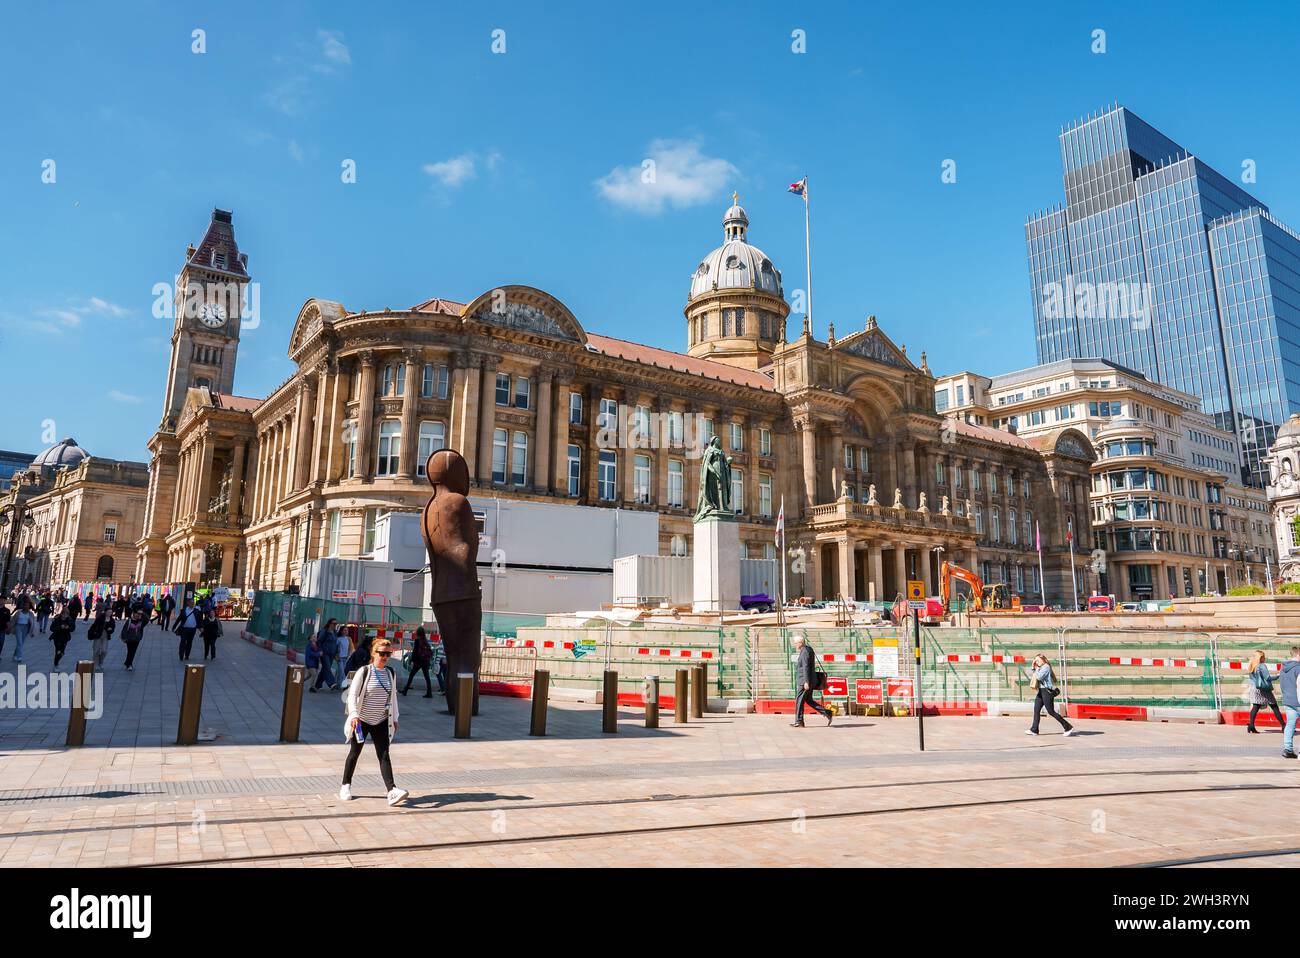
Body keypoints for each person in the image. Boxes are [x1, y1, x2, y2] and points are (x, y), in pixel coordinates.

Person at [340, 638, 409, 806]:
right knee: (354, 753)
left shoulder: (390, 673)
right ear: (373, 653)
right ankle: (345, 785)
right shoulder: (364, 672)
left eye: (388, 654)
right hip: (362, 721)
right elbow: (352, 696)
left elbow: (393, 698)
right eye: (382, 653)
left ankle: (392, 790)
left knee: (384, 755)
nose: (385, 657)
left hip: (381, 720)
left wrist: (395, 718)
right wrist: (354, 715)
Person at [790, 632, 832, 727]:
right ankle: (827, 712)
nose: (795, 645)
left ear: (800, 643)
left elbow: (806, 667)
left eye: (796, 643)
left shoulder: (805, 651)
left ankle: (799, 721)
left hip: (805, 681)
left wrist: (806, 682)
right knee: (809, 700)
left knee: (799, 700)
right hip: (810, 679)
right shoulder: (808, 649)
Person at [1027, 653, 1075, 736]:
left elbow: (1039, 677)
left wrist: (1034, 668)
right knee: (1036, 709)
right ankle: (1034, 730)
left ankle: (1068, 727)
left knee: (1051, 711)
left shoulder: (1046, 667)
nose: (1036, 662)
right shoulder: (1040, 668)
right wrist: (1035, 668)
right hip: (1041, 691)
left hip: (1046, 692)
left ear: (1043, 660)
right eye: (1035, 661)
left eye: (1037, 660)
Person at [1245, 650, 1285, 733]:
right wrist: (1278, 676)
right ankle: (1283, 726)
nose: (1265, 658)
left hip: (1254, 688)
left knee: (1255, 706)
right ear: (1260, 658)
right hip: (1264, 689)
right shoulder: (1262, 665)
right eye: (1264, 657)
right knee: (1274, 706)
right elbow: (1268, 678)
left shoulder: (1251, 665)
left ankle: (1251, 725)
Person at [401, 626, 435, 698]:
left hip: (419, 661)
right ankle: (429, 693)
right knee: (427, 677)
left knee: (411, 675)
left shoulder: (417, 640)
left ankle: (405, 690)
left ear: (418, 633)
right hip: (426, 661)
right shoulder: (425, 640)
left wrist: (412, 660)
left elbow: (415, 652)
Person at [1279, 647, 1299, 760]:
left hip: (1288, 700)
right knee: (1291, 725)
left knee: (1290, 725)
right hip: (1298, 700)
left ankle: (1288, 749)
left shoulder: (1283, 668)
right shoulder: (1298, 668)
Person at [311, 619, 340, 692]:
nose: (335, 625)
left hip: (332, 654)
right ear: (329, 624)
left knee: (325, 669)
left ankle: (316, 686)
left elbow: (335, 644)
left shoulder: (334, 632)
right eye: (334, 623)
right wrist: (320, 650)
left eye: (336, 624)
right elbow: (319, 641)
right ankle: (332, 683)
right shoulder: (324, 631)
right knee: (327, 668)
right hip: (324, 653)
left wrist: (336, 653)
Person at [174, 597, 200, 662]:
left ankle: (187, 655)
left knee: (189, 642)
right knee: (183, 642)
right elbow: (179, 619)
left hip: (192, 630)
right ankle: (181, 655)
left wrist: (201, 628)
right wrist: (174, 626)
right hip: (184, 629)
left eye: (193, 603)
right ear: (188, 603)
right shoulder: (184, 610)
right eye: (191, 603)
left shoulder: (196, 611)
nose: (192, 604)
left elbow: (200, 620)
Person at [11, 599, 34, 664]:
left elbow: (32, 623)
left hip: (25, 628)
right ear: (23, 606)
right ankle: (19, 657)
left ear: (29, 606)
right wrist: (10, 628)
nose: (26, 606)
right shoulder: (18, 612)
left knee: (21, 643)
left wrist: (31, 632)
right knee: (19, 643)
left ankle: (15, 655)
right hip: (18, 627)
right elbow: (13, 620)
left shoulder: (31, 613)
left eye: (27, 605)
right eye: (25, 605)